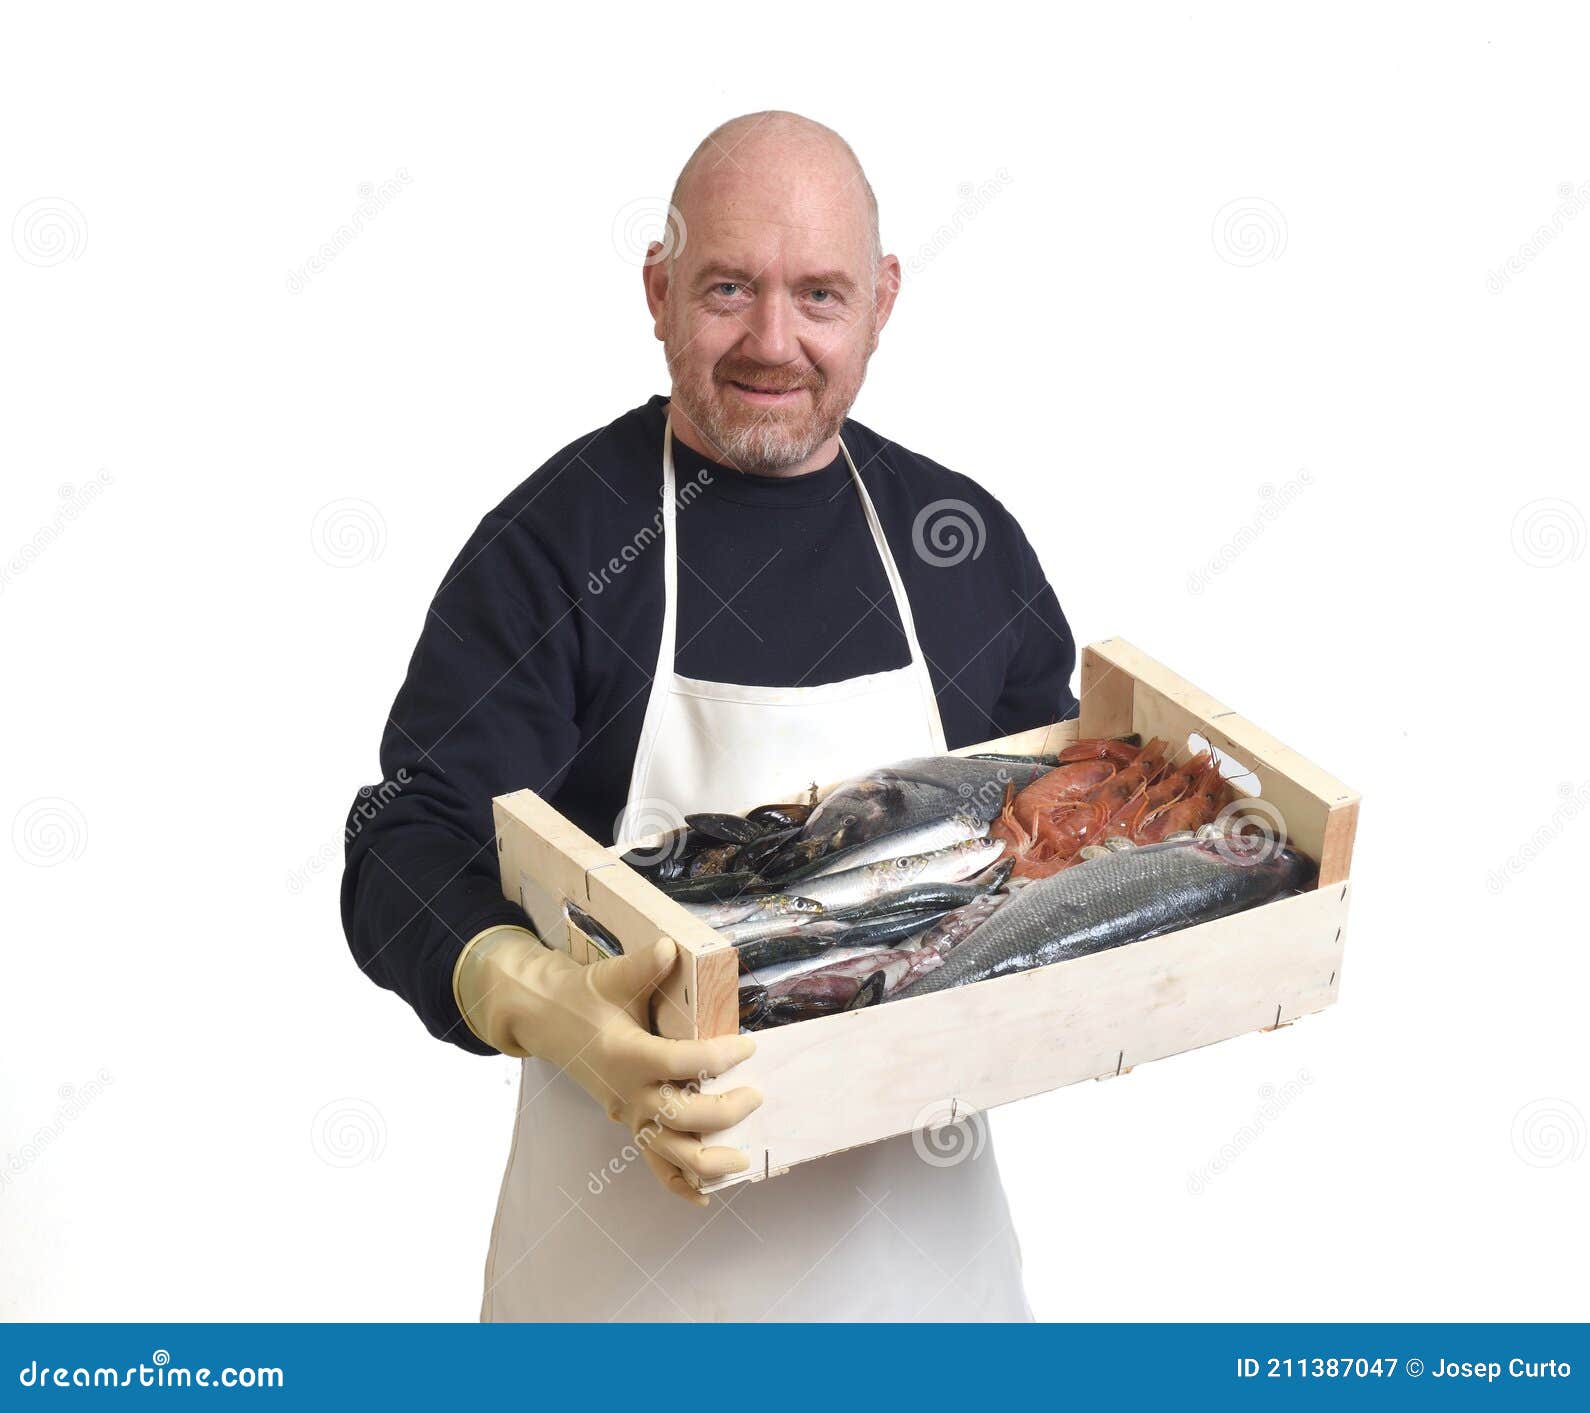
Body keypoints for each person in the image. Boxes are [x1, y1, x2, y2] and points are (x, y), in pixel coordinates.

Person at [341, 111, 1077, 1322]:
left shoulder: (962, 549)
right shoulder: (556, 548)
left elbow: (1043, 841)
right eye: (729, 288)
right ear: (658, 289)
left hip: (925, 1298)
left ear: (884, 299)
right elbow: (401, 843)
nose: (772, 344)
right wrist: (540, 1000)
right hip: (618, 1298)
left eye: (821, 296)